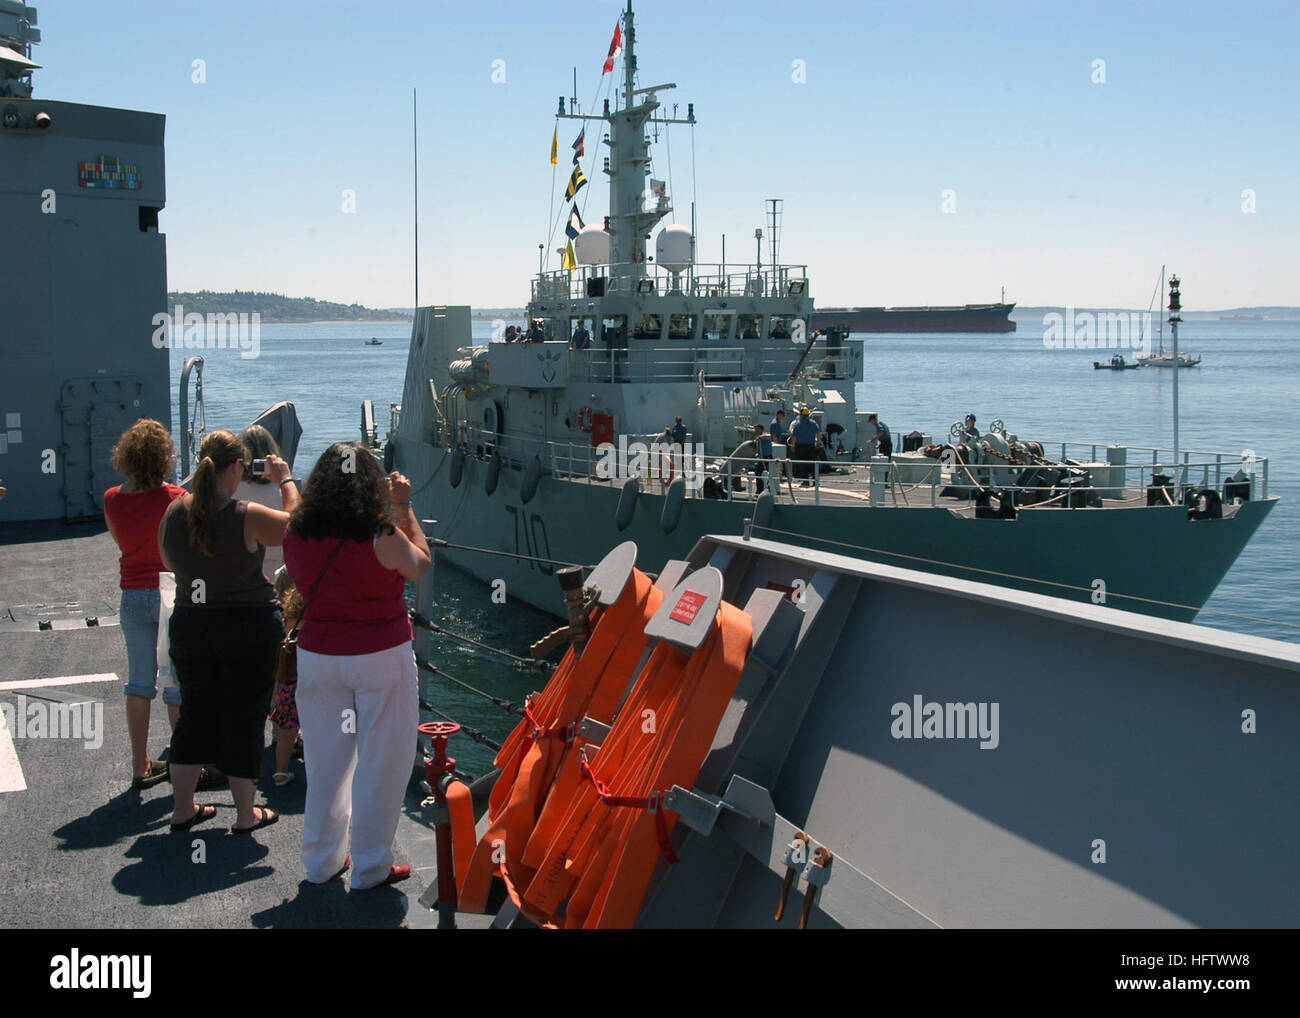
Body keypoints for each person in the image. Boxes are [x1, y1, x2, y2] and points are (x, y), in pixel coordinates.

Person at [283, 444, 431, 889]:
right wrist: (404, 506)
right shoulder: (380, 532)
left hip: (319, 658)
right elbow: (420, 564)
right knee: (382, 763)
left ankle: (322, 863)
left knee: (327, 763)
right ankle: (370, 867)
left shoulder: (296, 531)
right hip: (379, 656)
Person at [159, 429, 299, 833]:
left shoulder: (173, 512)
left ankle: (183, 809)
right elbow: (297, 528)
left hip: (191, 625)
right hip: (247, 628)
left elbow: (166, 559)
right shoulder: (246, 516)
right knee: (244, 718)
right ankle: (244, 814)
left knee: (194, 717)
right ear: (236, 468)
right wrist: (286, 479)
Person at [104, 419, 187, 789]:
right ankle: (186, 765)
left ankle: (140, 766)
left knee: (139, 683)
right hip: (170, 593)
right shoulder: (177, 499)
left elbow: (122, 543)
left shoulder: (112, 499)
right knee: (176, 684)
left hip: (132, 594)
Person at [234, 424, 285, 581]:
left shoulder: (229, 491)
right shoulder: (282, 493)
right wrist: (285, 479)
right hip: (275, 577)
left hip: (236, 575)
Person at [791, 405, 821, 485]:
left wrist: (793, 446)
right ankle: (815, 481)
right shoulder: (813, 423)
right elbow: (818, 434)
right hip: (811, 446)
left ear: (801, 414)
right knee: (812, 463)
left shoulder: (797, 424)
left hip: (800, 446)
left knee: (803, 464)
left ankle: (806, 481)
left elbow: (794, 437)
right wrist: (818, 443)